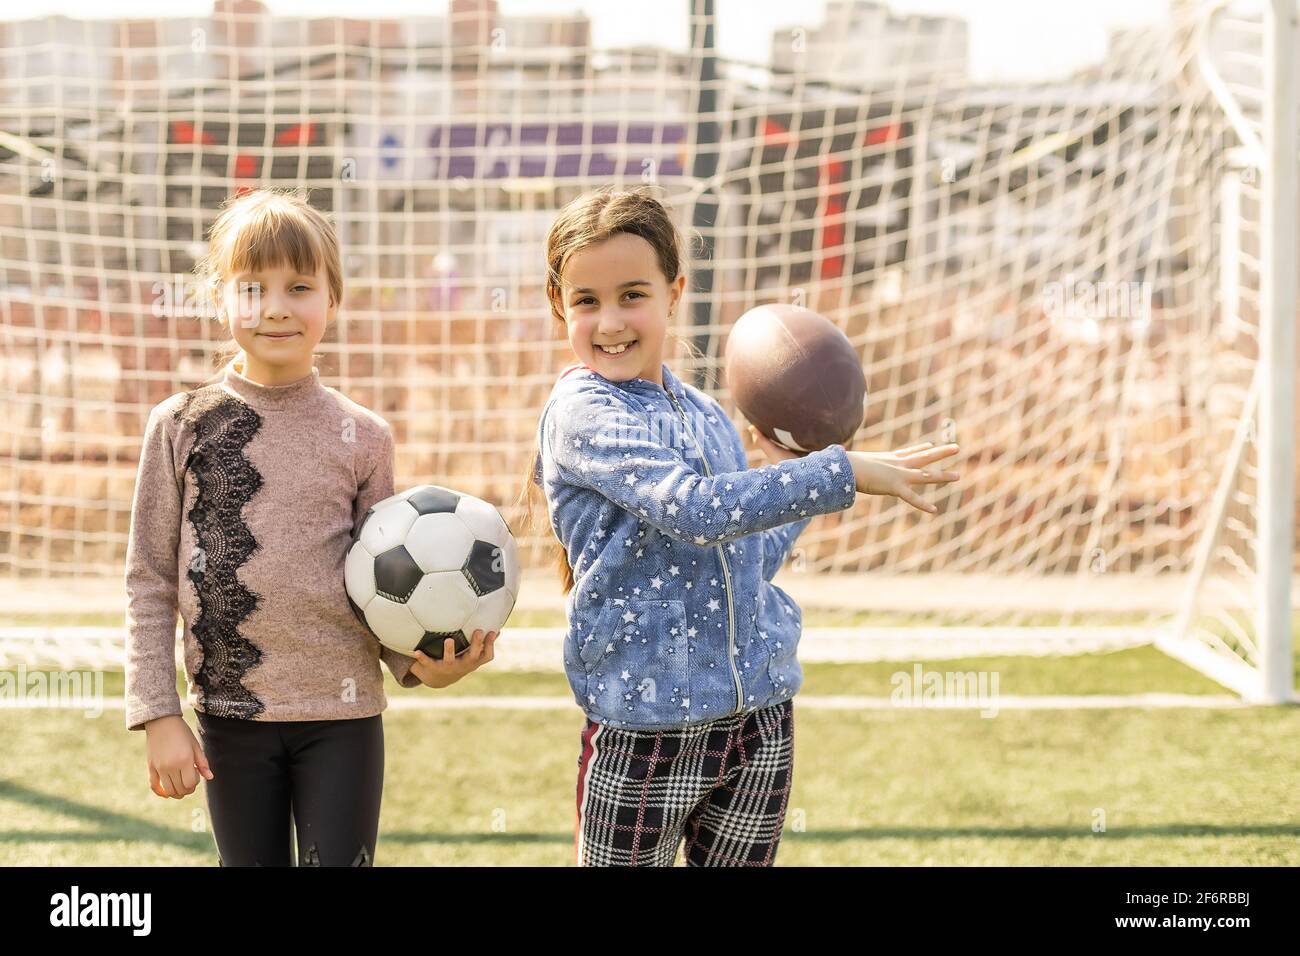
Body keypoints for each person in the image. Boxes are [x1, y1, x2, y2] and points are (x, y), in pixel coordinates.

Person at [519, 185, 960, 866]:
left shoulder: (704, 413)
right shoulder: (582, 412)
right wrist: (841, 474)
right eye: (586, 301)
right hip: (646, 728)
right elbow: (693, 510)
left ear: (674, 293)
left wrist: (796, 474)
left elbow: (747, 554)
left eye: (632, 295)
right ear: (560, 307)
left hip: (758, 721)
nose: (609, 322)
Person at [124, 187, 497, 866]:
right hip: (229, 716)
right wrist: (159, 714)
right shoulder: (180, 425)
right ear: (219, 299)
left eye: (298, 286)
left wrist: (422, 669)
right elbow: (148, 581)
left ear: (332, 300)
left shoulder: (365, 438)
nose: (274, 307)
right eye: (252, 287)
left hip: (344, 720)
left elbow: (384, 589)